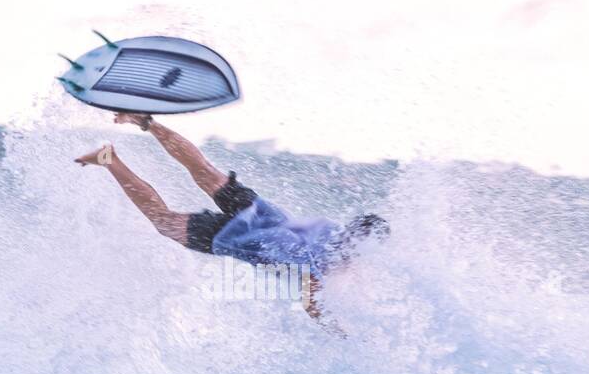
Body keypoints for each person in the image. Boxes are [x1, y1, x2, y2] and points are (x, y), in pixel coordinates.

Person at [75, 112, 387, 324]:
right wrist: (335, 330)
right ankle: (109, 159)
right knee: (162, 221)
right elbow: (311, 301)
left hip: (262, 212)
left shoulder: (332, 231)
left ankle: (145, 121)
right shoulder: (323, 264)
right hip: (236, 235)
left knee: (204, 171)